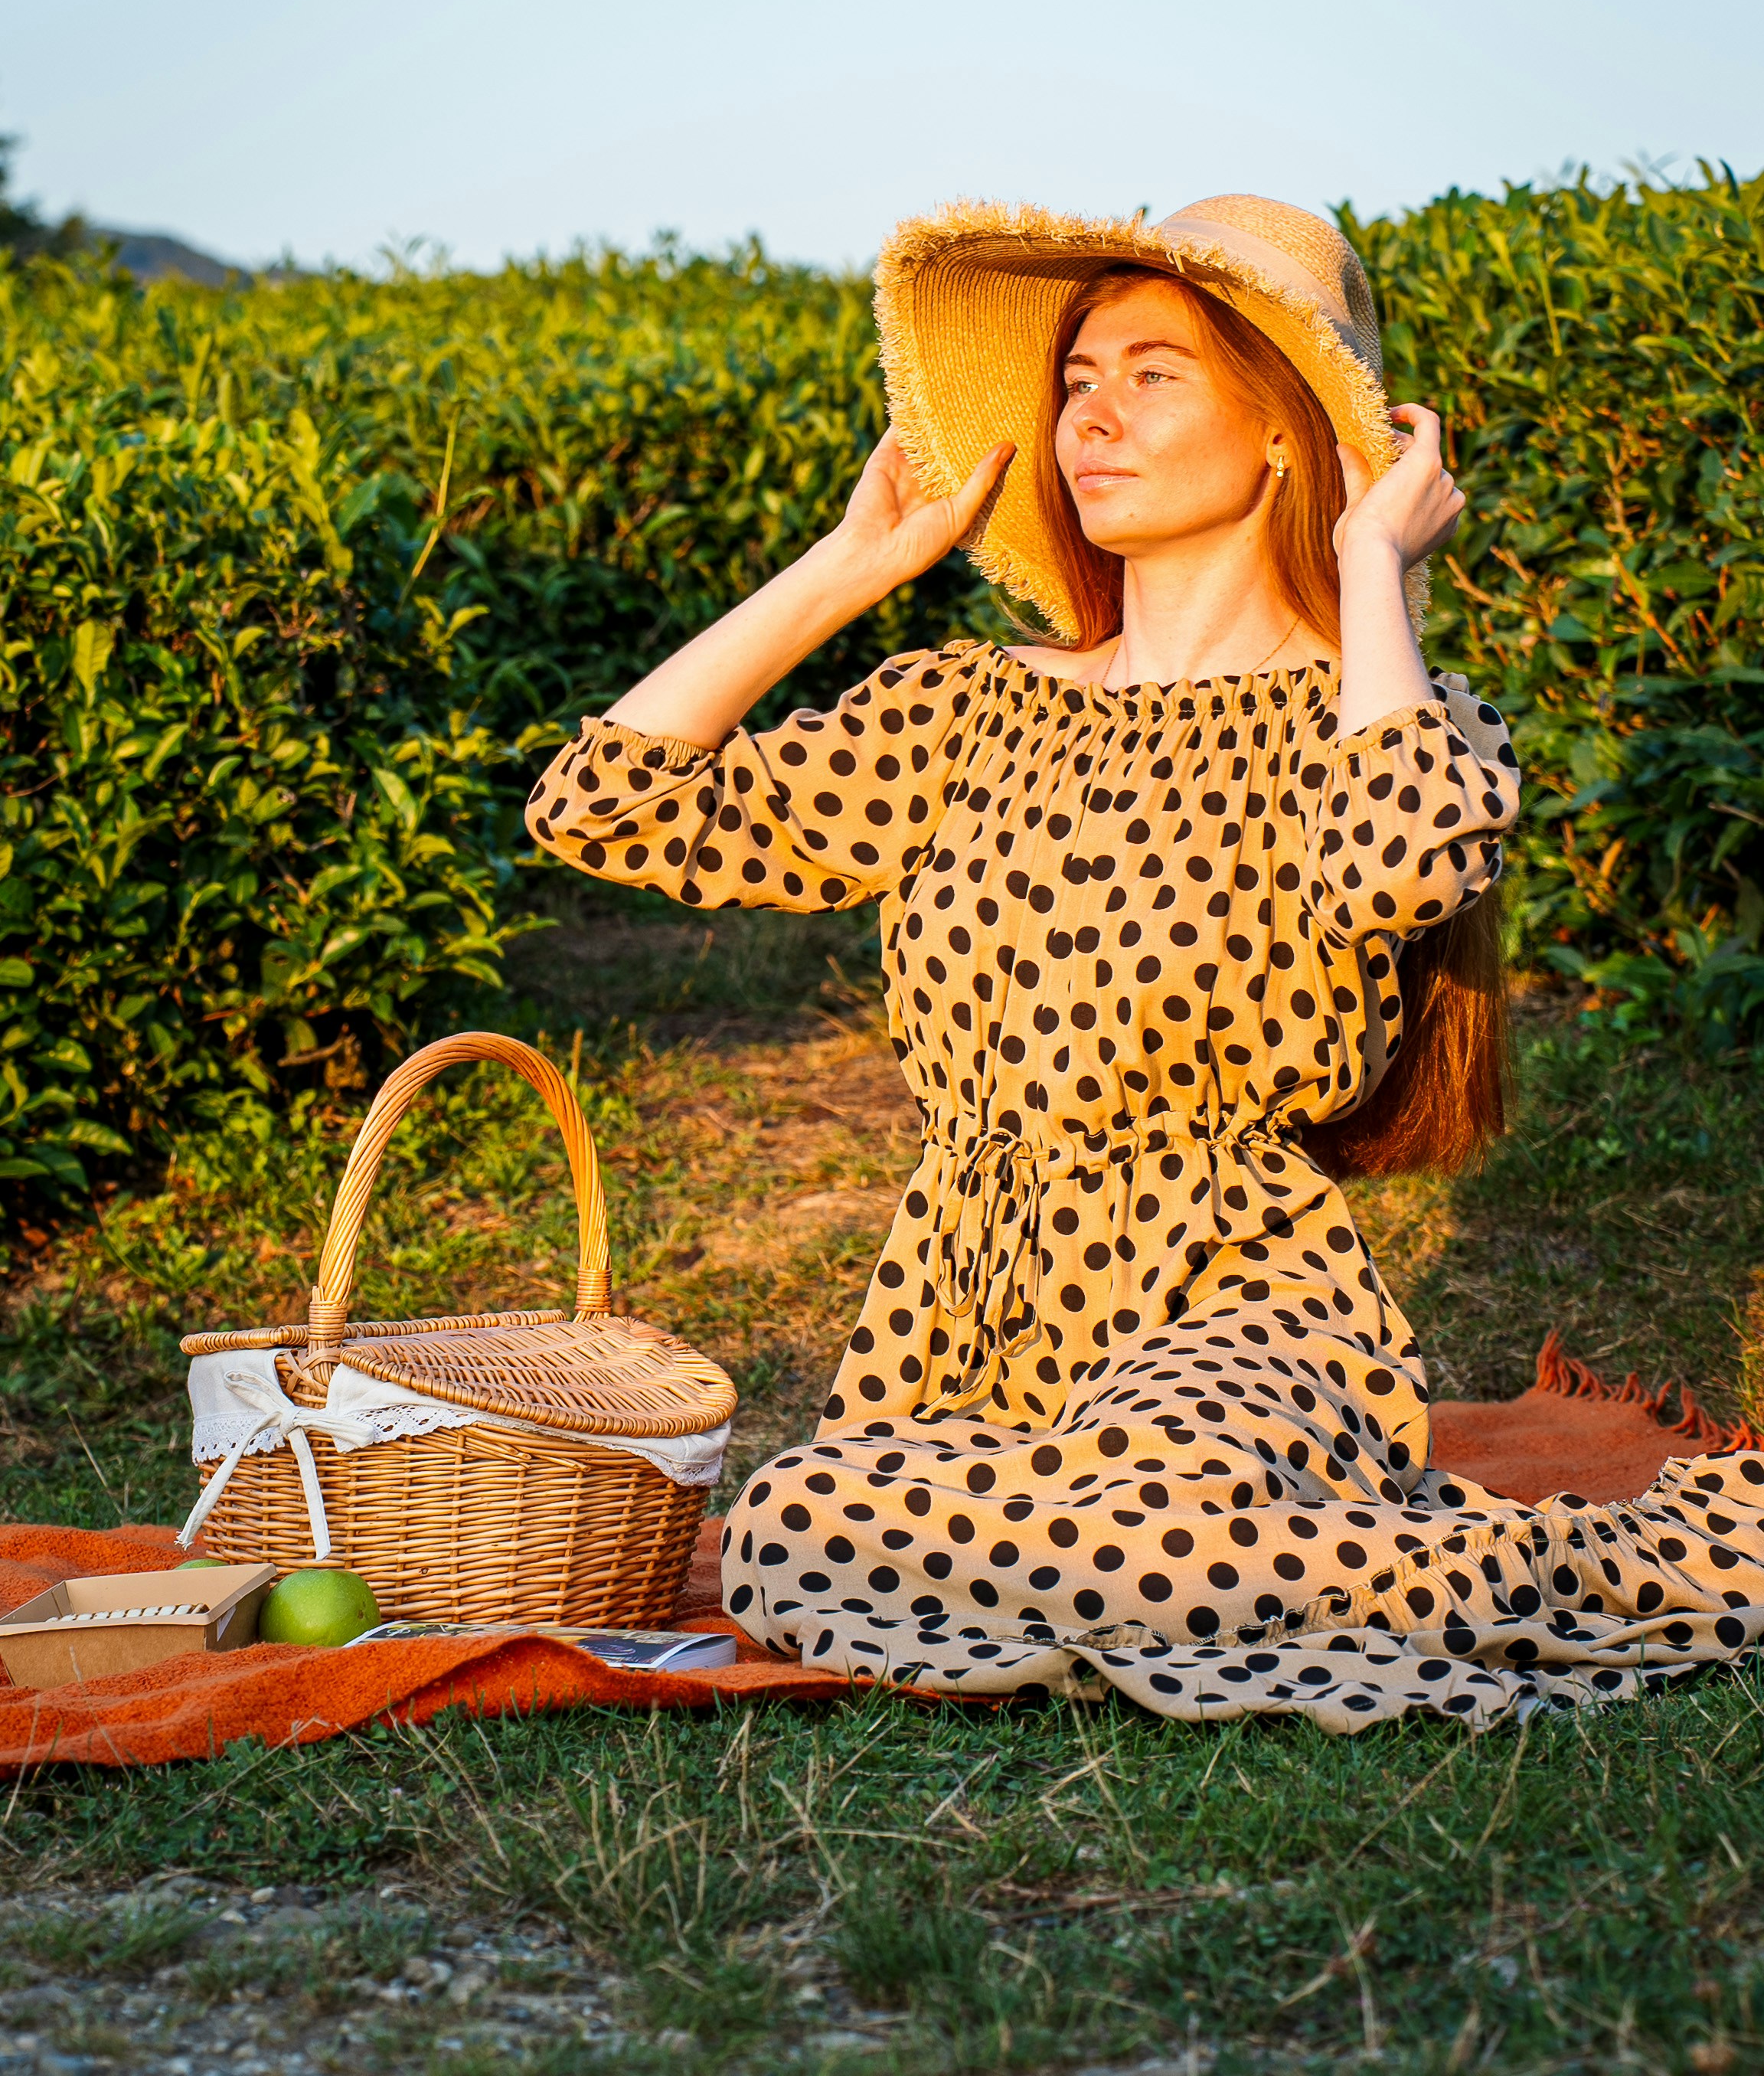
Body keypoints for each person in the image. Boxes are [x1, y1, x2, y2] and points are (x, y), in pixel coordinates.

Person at [527, 195, 1764, 1729]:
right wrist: (850, 567)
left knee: (1138, 1512)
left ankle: (1656, 1569)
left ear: (1278, 432)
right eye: (1075, 377)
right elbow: (606, 804)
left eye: (1152, 371)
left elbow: (1403, 862)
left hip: (1237, 1299)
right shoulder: (967, 709)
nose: (1086, 415)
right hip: (971, 1324)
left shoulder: (1375, 717)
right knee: (789, 1537)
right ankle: (1244, 1561)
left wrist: (1370, 563)